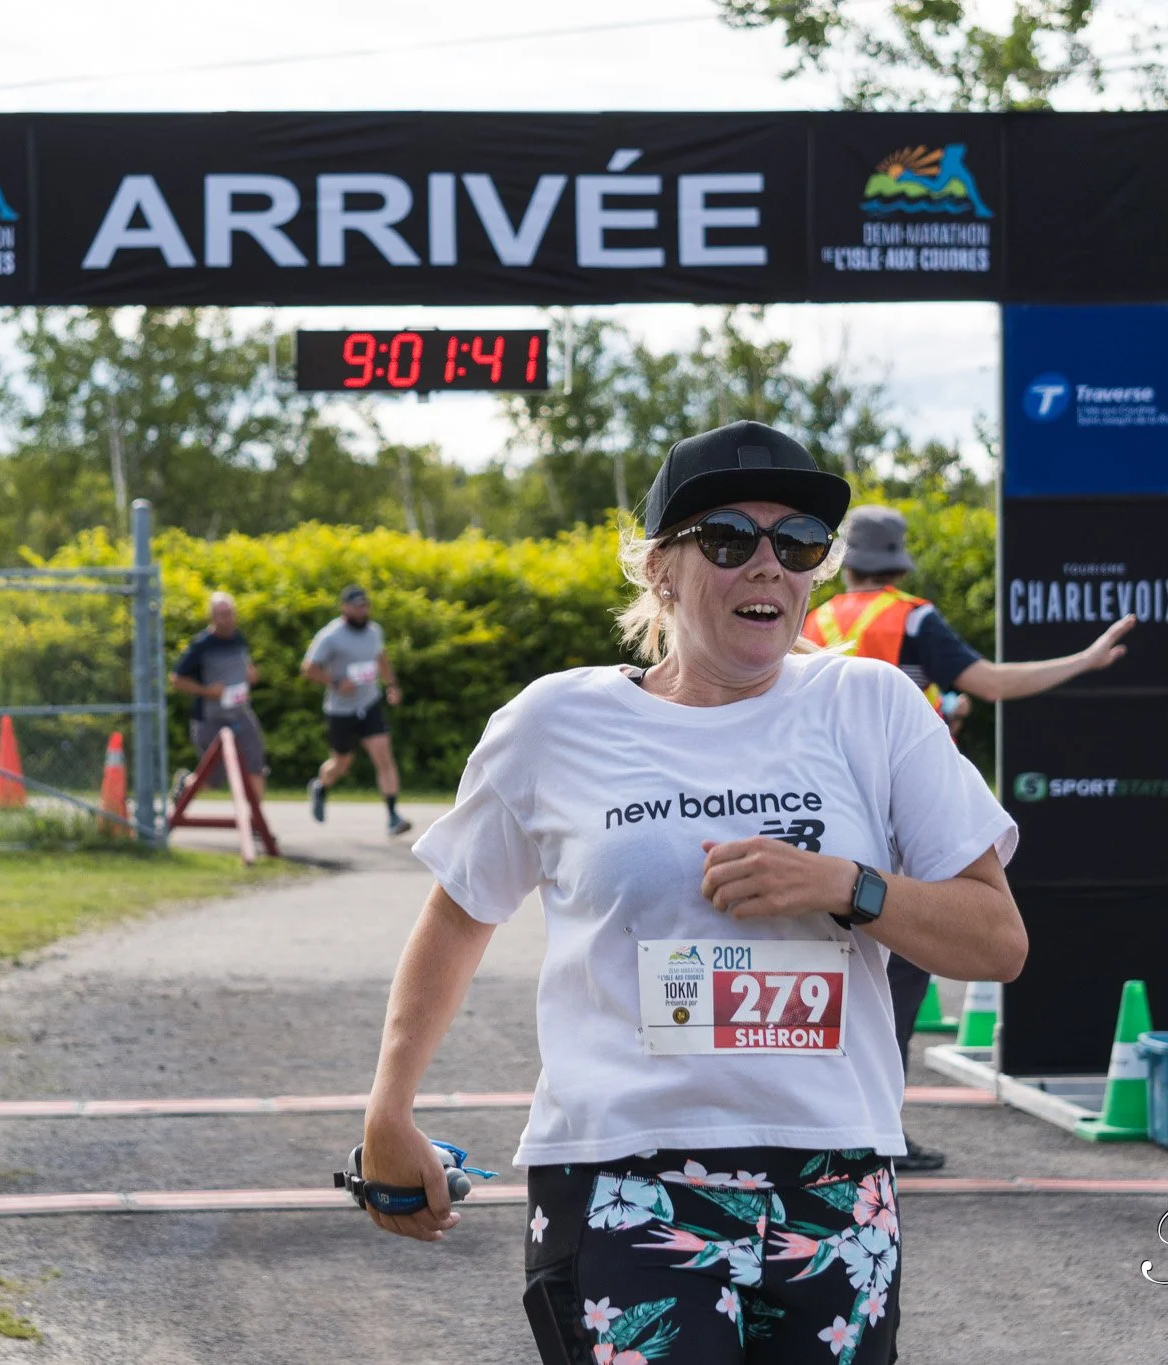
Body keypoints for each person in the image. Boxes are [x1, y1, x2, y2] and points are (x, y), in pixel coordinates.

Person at [360, 421, 1025, 1365]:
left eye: (796, 542)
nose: (768, 565)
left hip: (834, 1172)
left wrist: (847, 884)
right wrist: (390, 1108)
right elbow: (460, 912)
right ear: (659, 568)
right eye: (728, 540)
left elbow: (997, 940)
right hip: (623, 1173)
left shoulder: (872, 707)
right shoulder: (557, 721)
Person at [799, 504, 1133, 1171]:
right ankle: (876, 1123)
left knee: (822, 965)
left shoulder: (814, 617)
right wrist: (1085, 660)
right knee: (900, 962)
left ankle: (822, 1114)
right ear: (897, 562)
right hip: (899, 806)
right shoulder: (911, 615)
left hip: (824, 802)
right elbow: (989, 683)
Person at [303, 586, 411, 836]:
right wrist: (336, 682)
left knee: (383, 755)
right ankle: (321, 786)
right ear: (345, 608)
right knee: (342, 761)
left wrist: (392, 686)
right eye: (357, 606)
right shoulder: (330, 636)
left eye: (365, 605)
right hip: (341, 710)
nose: (363, 610)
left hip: (369, 703)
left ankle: (393, 815)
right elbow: (309, 668)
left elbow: (381, 659)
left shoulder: (374, 632)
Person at [169, 591, 268, 804]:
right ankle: (185, 785)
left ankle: (257, 824)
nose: (227, 618)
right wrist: (207, 691)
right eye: (222, 614)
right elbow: (176, 679)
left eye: (230, 613)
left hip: (241, 714)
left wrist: (251, 673)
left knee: (255, 765)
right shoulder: (201, 645)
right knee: (214, 779)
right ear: (212, 616)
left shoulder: (239, 639)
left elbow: (244, 665)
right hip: (210, 719)